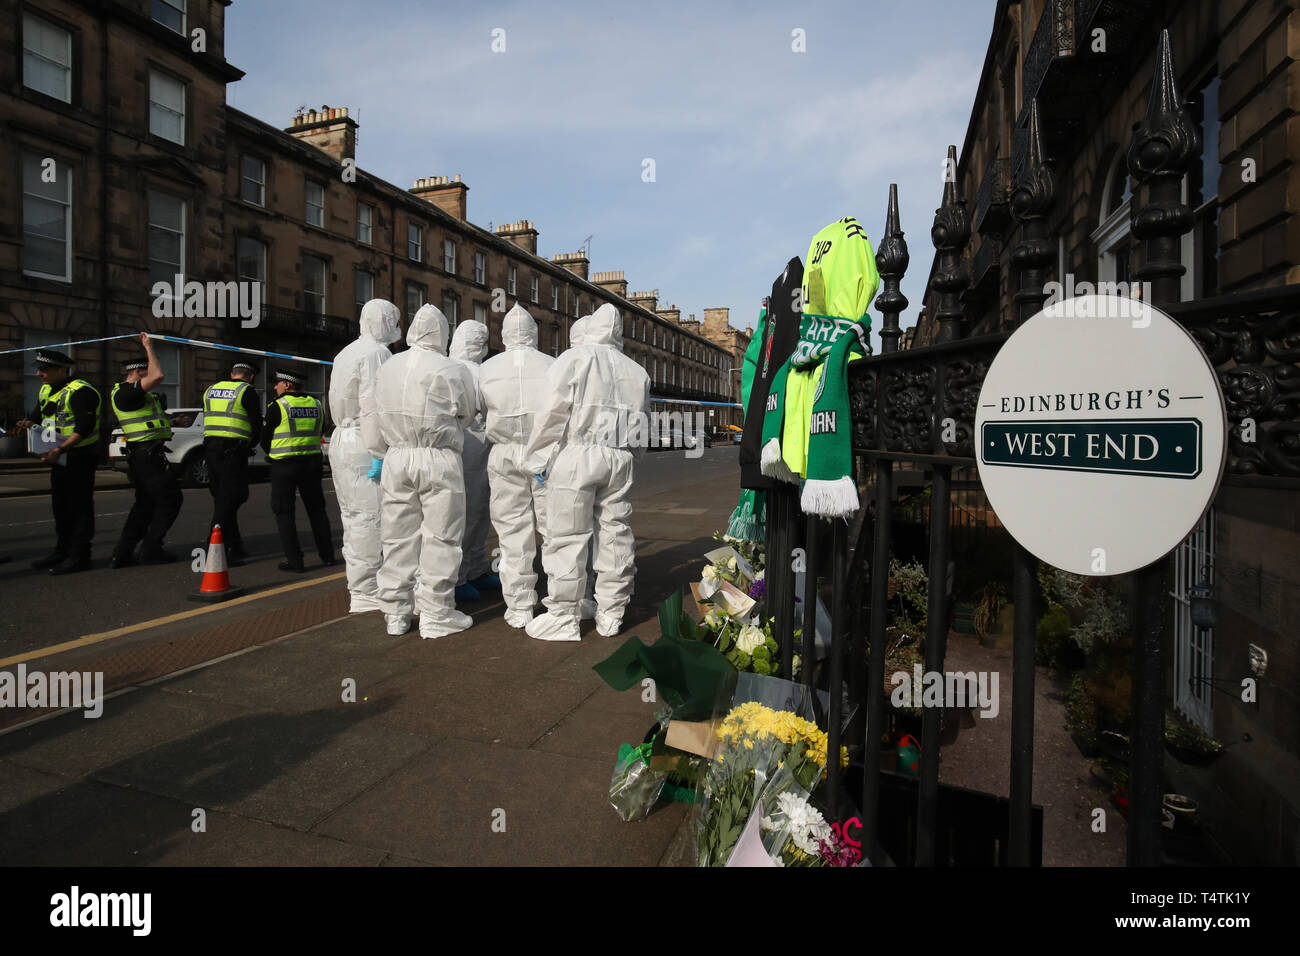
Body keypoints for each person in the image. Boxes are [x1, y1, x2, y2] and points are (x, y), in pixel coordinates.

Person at [523, 303, 650, 642]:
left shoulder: (573, 360)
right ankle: (612, 613)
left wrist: (538, 460)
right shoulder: (636, 371)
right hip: (618, 457)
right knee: (615, 532)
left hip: (577, 454)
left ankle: (565, 615)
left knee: (567, 536)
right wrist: (631, 457)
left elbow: (551, 413)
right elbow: (642, 422)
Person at [361, 304, 477, 639]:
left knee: (397, 535)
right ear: (442, 332)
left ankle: (396, 612)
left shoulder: (388, 366)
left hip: (397, 456)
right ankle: (436, 612)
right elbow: (467, 413)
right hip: (438, 456)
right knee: (441, 535)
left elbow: (370, 411)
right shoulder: (452, 369)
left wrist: (378, 452)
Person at [478, 304, 555, 628]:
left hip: (504, 453)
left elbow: (476, 411)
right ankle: (563, 601)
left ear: (505, 335)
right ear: (535, 335)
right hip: (545, 453)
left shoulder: (487, 368)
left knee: (512, 532)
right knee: (555, 530)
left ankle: (520, 606)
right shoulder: (554, 366)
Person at [329, 298, 401, 612]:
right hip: (362, 440)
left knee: (354, 517)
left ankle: (361, 586)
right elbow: (373, 405)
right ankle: (367, 590)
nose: (397, 328)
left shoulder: (347, 351)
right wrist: (379, 451)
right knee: (370, 519)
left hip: (342, 438)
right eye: (394, 321)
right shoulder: (376, 353)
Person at [17, 348, 101, 574]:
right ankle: (61, 551)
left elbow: (85, 427)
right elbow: (37, 417)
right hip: (58, 456)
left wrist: (61, 449)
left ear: (62, 370)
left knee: (79, 507)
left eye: (44, 370)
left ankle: (80, 556)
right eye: (39, 369)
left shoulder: (82, 391)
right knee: (61, 506)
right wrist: (27, 424)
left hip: (79, 456)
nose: (39, 374)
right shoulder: (47, 389)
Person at [108, 333, 183, 567]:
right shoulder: (125, 392)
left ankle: (122, 553)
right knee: (171, 499)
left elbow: (147, 421)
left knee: (145, 505)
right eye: (147, 369)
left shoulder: (139, 396)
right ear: (139, 372)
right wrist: (149, 347)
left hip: (146, 455)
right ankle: (151, 549)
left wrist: (172, 423)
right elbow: (158, 375)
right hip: (145, 457)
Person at [261, 368, 335, 572]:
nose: (275, 387)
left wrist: (274, 452)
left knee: (284, 513)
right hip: (311, 464)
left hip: (284, 465)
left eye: (278, 383)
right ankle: (327, 556)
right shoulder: (316, 404)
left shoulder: (279, 405)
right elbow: (320, 431)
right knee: (317, 511)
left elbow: (265, 438)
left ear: (288, 385)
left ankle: (295, 561)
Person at [448, 319, 498, 602]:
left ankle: (476, 569)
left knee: (479, 514)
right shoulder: (463, 370)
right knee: (466, 515)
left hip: (478, 449)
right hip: (466, 449)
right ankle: (458, 576)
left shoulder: (473, 369)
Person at [202, 361, 263, 565]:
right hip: (233, 451)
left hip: (210, 449)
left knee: (222, 497)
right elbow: (256, 425)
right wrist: (250, 443)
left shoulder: (211, 389)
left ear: (232, 373)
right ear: (251, 376)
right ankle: (214, 548)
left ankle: (234, 545)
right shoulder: (247, 391)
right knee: (234, 496)